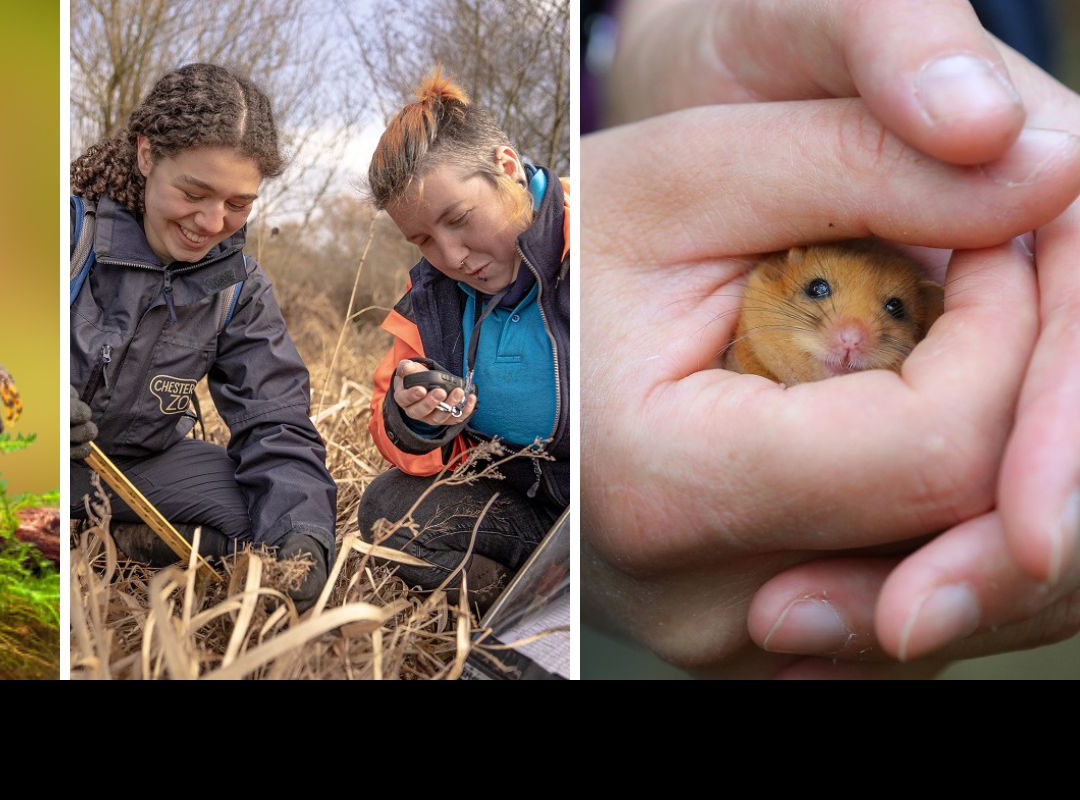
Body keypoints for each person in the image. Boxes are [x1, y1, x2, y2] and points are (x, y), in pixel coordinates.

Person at [584, 0, 1080, 677]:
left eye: (896, 312)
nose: (852, 334)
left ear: (929, 321)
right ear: (782, 279)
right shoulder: (752, 308)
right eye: (819, 292)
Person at [68, 63, 336, 612]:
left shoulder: (240, 287)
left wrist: (302, 542)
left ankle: (109, 543)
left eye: (239, 204)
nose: (213, 223)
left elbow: (275, 419)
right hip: (20, 456)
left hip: (132, 472)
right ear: (146, 155)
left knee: (260, 518)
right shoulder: (66, 234)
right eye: (195, 192)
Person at [356, 70, 570, 611]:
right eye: (424, 239)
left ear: (507, 167)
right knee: (387, 509)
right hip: (527, 506)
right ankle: (521, 609)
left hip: (621, 509)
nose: (451, 258)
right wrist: (415, 422)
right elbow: (390, 426)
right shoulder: (429, 293)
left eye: (459, 219)